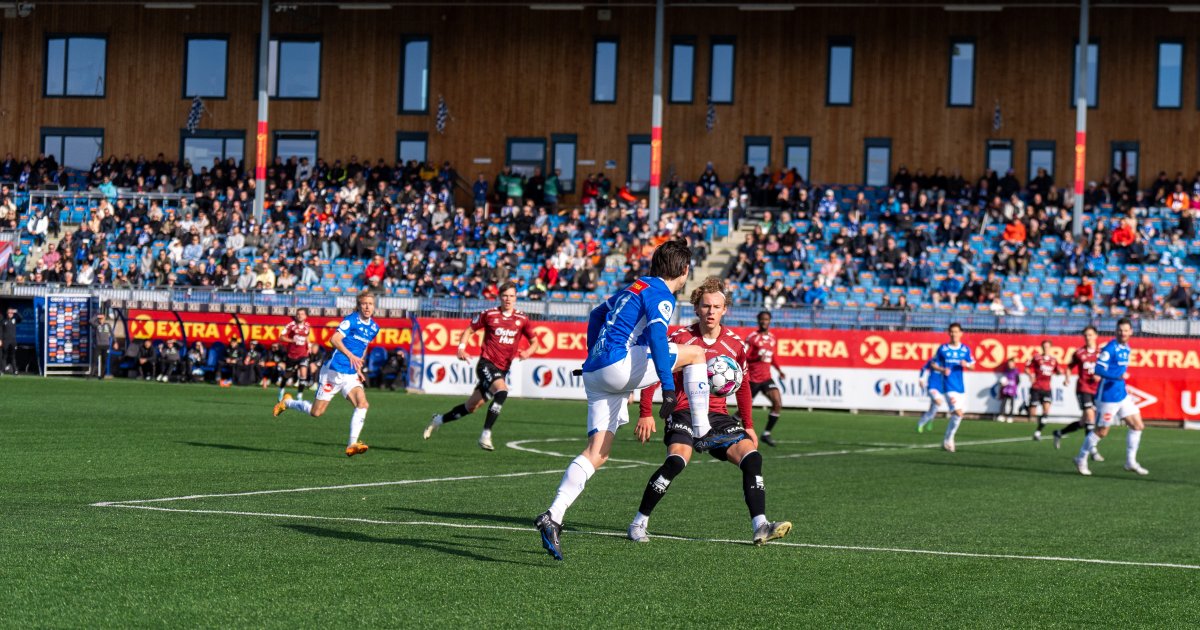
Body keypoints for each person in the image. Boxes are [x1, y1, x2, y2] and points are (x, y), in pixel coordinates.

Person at [533, 239, 713, 561]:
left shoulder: (634, 287)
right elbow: (658, 339)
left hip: (595, 371)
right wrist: (668, 389)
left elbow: (596, 314)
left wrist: (593, 355)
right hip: (618, 365)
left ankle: (553, 516)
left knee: (597, 454)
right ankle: (701, 430)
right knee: (696, 353)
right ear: (684, 271)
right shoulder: (660, 292)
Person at [628, 278, 791, 545]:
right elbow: (655, 372)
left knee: (752, 458)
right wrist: (645, 412)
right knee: (676, 462)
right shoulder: (680, 338)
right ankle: (638, 523)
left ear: (725, 309)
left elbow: (744, 386)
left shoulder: (736, 345)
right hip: (683, 411)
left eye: (717, 306)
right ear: (696, 308)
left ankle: (760, 525)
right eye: (705, 306)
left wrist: (748, 424)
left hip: (717, 416)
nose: (711, 311)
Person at [423, 282, 539, 451]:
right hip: (486, 364)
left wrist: (528, 352)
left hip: (502, 369)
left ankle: (438, 420)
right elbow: (469, 331)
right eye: (505, 295)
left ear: (516, 297)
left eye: (512, 296)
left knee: (471, 406)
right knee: (502, 391)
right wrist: (461, 348)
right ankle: (486, 434)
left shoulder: (522, 319)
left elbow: (535, 342)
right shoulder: (489, 314)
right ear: (500, 297)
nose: (508, 299)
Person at [274, 291, 380, 458]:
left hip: (350, 375)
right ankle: (288, 402)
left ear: (374, 307)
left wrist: (358, 367)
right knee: (316, 412)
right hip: (334, 371)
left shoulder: (374, 327)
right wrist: (349, 355)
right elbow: (334, 339)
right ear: (359, 305)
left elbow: (364, 347)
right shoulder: (351, 320)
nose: (367, 307)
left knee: (363, 404)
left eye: (370, 304)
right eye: (364, 303)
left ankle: (352, 443)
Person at [1073, 318, 1148, 476]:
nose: (1123, 333)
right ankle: (1081, 458)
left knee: (1138, 426)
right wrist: (1117, 375)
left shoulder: (1126, 347)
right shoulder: (1110, 348)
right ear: (1116, 331)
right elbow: (1098, 369)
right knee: (1101, 431)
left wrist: (1119, 378)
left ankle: (1130, 462)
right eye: (1120, 330)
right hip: (1107, 397)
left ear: (1131, 332)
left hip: (1122, 395)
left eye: (1126, 330)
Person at [1053, 326, 1104, 463]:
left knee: (1084, 422)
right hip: (1083, 388)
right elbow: (1069, 366)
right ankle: (1092, 451)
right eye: (1086, 335)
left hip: (1097, 390)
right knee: (1090, 417)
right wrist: (1067, 378)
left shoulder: (1102, 353)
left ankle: (1059, 433)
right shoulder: (1079, 353)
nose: (1088, 337)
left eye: (1090, 335)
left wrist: (1100, 376)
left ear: (1096, 336)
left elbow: (1107, 369)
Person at [745, 310, 787, 446]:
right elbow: (744, 357)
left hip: (766, 378)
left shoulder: (772, 338)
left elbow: (772, 356)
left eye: (766, 319)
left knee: (777, 403)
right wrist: (756, 357)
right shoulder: (752, 338)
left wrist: (779, 370)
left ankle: (766, 433)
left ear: (770, 321)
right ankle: (729, 427)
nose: (764, 322)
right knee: (743, 411)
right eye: (762, 319)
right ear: (758, 321)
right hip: (752, 378)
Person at [931, 323, 975, 452]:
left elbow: (972, 366)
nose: (953, 334)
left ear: (961, 333)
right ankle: (949, 440)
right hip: (948, 385)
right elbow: (933, 364)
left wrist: (965, 364)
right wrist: (942, 369)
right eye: (951, 332)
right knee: (958, 412)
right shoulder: (943, 349)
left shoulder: (965, 350)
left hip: (960, 387)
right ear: (948, 333)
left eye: (956, 332)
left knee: (958, 415)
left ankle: (946, 440)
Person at [1026, 340, 1062, 441]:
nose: (1046, 348)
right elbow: (1027, 368)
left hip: (1047, 388)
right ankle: (1025, 407)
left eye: (1047, 347)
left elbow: (1058, 371)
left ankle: (1038, 432)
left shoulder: (1053, 360)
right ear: (1042, 347)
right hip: (1036, 387)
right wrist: (1030, 375)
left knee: (1046, 411)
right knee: (1032, 413)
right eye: (1044, 346)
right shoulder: (1037, 358)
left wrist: (1059, 372)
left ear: (1050, 348)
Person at [278, 308, 313, 402]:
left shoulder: (307, 325)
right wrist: (292, 340)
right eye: (298, 314)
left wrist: (309, 345)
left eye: (302, 314)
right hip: (292, 355)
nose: (300, 316)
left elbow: (307, 336)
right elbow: (281, 337)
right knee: (288, 374)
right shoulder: (291, 325)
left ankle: (299, 396)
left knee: (303, 374)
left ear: (306, 316)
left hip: (303, 354)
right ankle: (281, 389)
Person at [89, 312, 114, 379]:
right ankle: (91, 374)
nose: (101, 320)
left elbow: (112, 334)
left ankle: (102, 375)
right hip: (98, 345)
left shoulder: (108, 325)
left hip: (106, 345)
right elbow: (90, 321)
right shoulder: (96, 325)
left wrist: (116, 342)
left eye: (102, 318)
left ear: (104, 318)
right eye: (100, 319)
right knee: (94, 360)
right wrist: (97, 316)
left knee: (104, 360)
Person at [996, 358, 1019, 423]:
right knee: (1003, 402)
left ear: (1014, 364)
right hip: (1006, 389)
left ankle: (1010, 416)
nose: (1010, 365)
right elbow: (1003, 379)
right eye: (1009, 363)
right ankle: (1001, 415)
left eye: (1011, 363)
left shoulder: (1016, 371)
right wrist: (1003, 383)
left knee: (1011, 403)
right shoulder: (1006, 371)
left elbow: (1017, 380)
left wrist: (1013, 386)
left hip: (1012, 389)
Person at [0, 307, 20, 374]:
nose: (10, 314)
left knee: (13, 356)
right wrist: (0, 340)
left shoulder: (14, 320)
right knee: (4, 356)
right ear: (7, 313)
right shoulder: (3, 321)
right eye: (9, 313)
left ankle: (15, 370)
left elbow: (21, 318)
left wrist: (16, 312)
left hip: (13, 341)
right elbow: (1, 331)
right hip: (5, 341)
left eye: (11, 313)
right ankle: (2, 370)